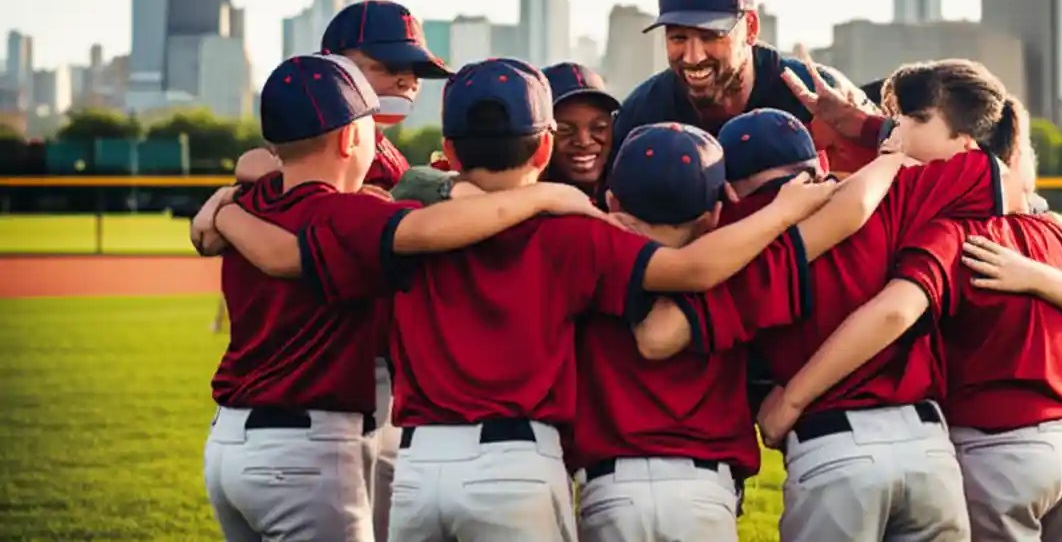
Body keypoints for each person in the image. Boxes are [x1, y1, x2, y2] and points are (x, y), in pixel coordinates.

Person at [207, 58, 837, 542]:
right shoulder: (574, 229)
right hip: (513, 465)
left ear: (449, 151)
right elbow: (690, 270)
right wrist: (788, 211)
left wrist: (224, 212)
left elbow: (284, 249)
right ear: (545, 148)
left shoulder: (399, 220)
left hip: (419, 468)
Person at [196, 54, 602, 542]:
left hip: (227, 448)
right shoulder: (346, 213)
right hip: (302, 449)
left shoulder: (247, 202)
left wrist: (220, 212)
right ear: (350, 138)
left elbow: (259, 233)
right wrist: (542, 198)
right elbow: (423, 229)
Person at [763, 62, 1062, 542]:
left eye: (908, 120)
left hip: (1013, 434)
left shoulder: (961, 228)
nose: (896, 130)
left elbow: (895, 311)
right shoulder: (1016, 215)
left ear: (966, 147)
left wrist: (793, 398)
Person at [573, 120, 909, 542]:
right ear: (716, 212)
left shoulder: (582, 250)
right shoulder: (743, 270)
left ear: (611, 199)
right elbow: (851, 210)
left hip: (610, 489)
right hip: (702, 490)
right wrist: (892, 153)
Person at [225, 0, 451, 542]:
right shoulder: (331, 145)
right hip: (340, 385)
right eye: (384, 64)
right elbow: (257, 165)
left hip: (382, 376)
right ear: (336, 66)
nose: (405, 78)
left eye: (415, 69)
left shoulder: (387, 155)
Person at [604, 0, 894, 195]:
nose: (693, 57)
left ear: (751, 28)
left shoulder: (819, 95)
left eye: (711, 36)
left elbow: (905, 173)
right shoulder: (642, 115)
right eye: (678, 38)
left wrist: (860, 126)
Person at [540, 61, 620, 199]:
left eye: (598, 128)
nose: (584, 142)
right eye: (564, 129)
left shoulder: (630, 192)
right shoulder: (524, 205)